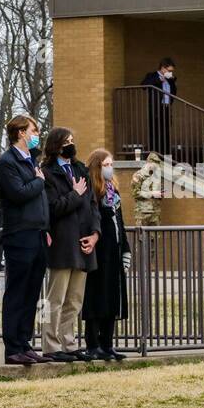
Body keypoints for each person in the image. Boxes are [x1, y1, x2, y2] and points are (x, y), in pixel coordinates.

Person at [0, 115, 51, 365]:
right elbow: (18, 194)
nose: (36, 134)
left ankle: (24, 341)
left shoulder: (31, 160)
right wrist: (39, 181)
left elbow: (39, 200)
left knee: (32, 292)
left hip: (37, 232)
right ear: (20, 133)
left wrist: (46, 226)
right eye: (33, 130)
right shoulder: (8, 162)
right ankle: (12, 347)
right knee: (17, 291)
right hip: (20, 234)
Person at [40, 127, 100, 362]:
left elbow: (93, 205)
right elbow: (53, 208)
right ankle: (50, 344)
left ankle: (68, 342)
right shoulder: (47, 173)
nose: (71, 145)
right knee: (54, 298)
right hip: (62, 243)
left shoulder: (80, 169)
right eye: (67, 141)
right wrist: (75, 194)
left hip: (83, 243)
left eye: (73, 141)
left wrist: (95, 234)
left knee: (74, 299)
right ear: (56, 145)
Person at [81, 148, 129, 361]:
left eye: (111, 165)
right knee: (95, 296)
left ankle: (107, 343)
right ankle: (92, 344)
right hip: (99, 251)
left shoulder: (113, 191)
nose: (110, 169)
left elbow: (120, 222)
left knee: (112, 296)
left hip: (115, 249)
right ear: (97, 167)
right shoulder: (92, 191)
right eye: (106, 165)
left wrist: (125, 247)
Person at [141, 57, 177, 156]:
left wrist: (172, 80)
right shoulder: (152, 76)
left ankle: (165, 154)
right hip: (156, 108)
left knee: (166, 131)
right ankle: (155, 154)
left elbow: (174, 91)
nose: (170, 72)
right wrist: (159, 79)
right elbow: (143, 85)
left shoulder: (169, 79)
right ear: (163, 68)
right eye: (169, 70)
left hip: (166, 107)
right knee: (155, 131)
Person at [131, 151, 165, 226]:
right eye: (155, 164)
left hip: (155, 213)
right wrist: (152, 194)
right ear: (149, 163)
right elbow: (135, 194)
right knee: (142, 237)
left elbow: (157, 192)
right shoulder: (138, 176)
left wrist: (160, 194)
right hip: (142, 214)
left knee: (156, 237)